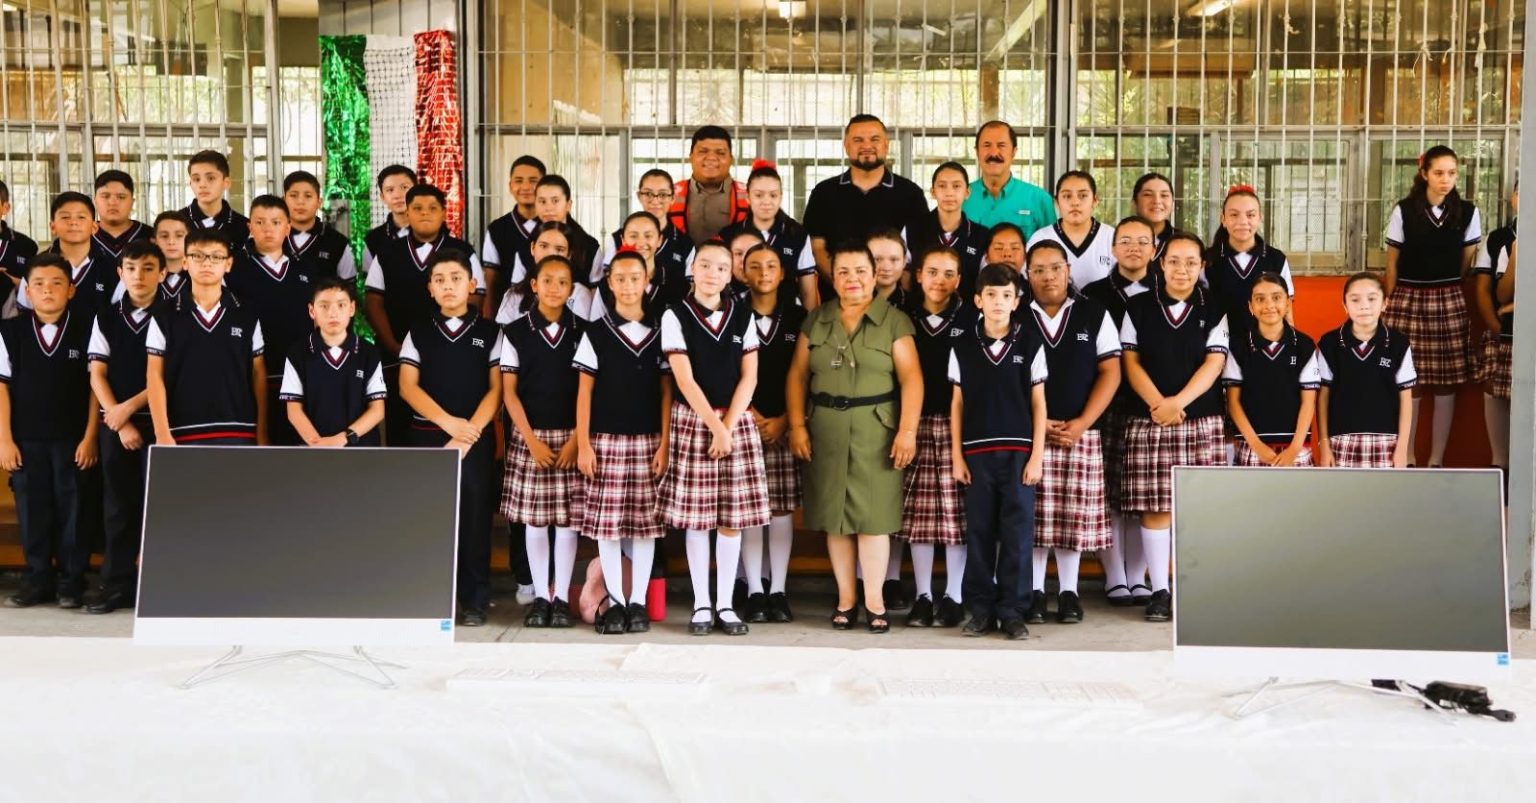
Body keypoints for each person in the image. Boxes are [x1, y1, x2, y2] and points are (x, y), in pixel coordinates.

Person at [785, 242, 923, 634]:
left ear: (874, 272)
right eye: (843, 271)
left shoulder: (893, 320)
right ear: (832, 276)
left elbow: (912, 378)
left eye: (860, 270)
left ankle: (875, 600)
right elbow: (797, 375)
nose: (852, 279)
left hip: (876, 429)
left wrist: (907, 431)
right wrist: (797, 424)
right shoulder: (816, 320)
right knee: (835, 519)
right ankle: (846, 598)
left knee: (873, 519)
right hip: (825, 427)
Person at [658, 241, 770, 637]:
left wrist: (730, 424)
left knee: (731, 519)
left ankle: (726, 603)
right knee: (697, 519)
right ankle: (701, 603)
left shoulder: (742, 315)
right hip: (695, 422)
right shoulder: (674, 314)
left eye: (721, 268)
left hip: (735, 422)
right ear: (692, 270)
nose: (712, 273)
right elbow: (683, 379)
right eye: (704, 265)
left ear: (730, 274)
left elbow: (750, 376)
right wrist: (715, 426)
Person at [1119, 232, 1228, 623]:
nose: (1182, 269)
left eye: (1191, 262)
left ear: (1201, 267)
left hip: (1199, 419)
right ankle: (1159, 590)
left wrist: (1177, 404)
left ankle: (1192, 588)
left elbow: (1214, 363)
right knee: (1156, 509)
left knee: (1196, 509)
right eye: (1175, 261)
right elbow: (1129, 363)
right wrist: (1157, 404)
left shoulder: (1213, 306)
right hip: (1149, 419)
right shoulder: (1138, 307)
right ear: (1160, 263)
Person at [397, 249, 502, 627]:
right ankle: (432, 596)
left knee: (474, 520)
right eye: (439, 280)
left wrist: (468, 431)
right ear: (430, 288)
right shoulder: (419, 332)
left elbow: (497, 390)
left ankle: (474, 599)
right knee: (432, 518)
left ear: (472, 284)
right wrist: (448, 425)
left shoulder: (491, 332)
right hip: (429, 439)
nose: (448, 286)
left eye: (456, 278)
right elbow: (407, 387)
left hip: (474, 441)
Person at [1022, 241, 1120, 625]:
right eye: (1038, 270)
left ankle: (1068, 591)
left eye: (1055, 268)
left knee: (1070, 519)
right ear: (1027, 275)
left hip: (1080, 432)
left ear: (1068, 271)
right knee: (1033, 518)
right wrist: (1034, 423)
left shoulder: (1094, 313)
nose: (1048, 277)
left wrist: (1084, 422)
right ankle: (1032, 591)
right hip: (1030, 434)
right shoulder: (1015, 315)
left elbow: (1111, 371)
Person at [574, 249, 672, 635]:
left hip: (649, 440)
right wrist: (583, 443)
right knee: (609, 527)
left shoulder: (662, 331)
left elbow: (667, 392)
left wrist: (665, 443)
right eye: (621, 278)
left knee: (645, 526)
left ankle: (636, 602)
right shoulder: (595, 332)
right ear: (609, 282)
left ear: (647, 282)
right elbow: (583, 393)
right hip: (606, 441)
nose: (629, 285)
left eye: (636, 277)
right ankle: (615, 601)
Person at [950, 263, 1047, 640]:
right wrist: (958, 455)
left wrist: (1036, 455)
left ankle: (1012, 610)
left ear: (1016, 300)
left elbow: (1039, 403)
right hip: (976, 453)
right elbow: (956, 404)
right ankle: (979, 609)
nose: (998, 302)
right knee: (979, 533)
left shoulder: (1029, 342)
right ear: (978, 300)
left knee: (1017, 534)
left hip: (1019, 454)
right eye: (990, 295)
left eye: (1006, 295)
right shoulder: (962, 345)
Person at [0, 254, 98, 609]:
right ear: (26, 291)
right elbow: (1, 389)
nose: (47, 290)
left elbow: (94, 388)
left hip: (73, 439)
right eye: (38, 283)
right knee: (32, 509)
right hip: (26, 441)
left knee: (74, 510)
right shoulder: (9, 331)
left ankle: (72, 582)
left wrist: (90, 437)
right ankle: (36, 578)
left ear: (71, 289)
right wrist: (5, 440)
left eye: (56, 282)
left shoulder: (89, 327)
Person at [499, 255, 584, 630]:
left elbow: (589, 391)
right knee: (534, 524)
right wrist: (529, 440)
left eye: (562, 282)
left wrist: (576, 440)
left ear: (571, 289)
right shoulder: (515, 332)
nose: (554, 288)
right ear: (533, 285)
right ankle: (540, 598)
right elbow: (510, 393)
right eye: (546, 280)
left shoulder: (584, 331)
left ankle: (561, 597)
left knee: (566, 523)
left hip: (571, 437)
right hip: (530, 438)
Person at [1384, 145, 1481, 468]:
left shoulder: (1468, 212)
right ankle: (1408, 455)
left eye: (1452, 173)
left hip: (1449, 297)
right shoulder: (1405, 210)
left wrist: (1453, 285)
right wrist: (1388, 301)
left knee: (1446, 380)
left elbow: (1467, 260)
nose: (1446, 180)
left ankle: (1437, 458)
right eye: (1439, 173)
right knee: (1410, 382)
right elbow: (1392, 263)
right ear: (1424, 173)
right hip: (1408, 298)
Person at [1079, 215, 1159, 605]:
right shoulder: (1094, 295)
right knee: (1109, 494)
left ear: (1154, 248)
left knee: (1143, 497)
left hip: (1151, 409)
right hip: (1108, 405)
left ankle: (1140, 575)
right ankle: (1114, 575)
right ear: (1112, 248)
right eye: (1125, 240)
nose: (1133, 248)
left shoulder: (1169, 290)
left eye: (1142, 241)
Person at [365, 183, 483, 445]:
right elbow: (373, 302)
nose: (425, 213)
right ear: (407, 212)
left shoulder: (464, 251)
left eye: (432, 208)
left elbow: (477, 297)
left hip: (455, 354)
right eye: (417, 208)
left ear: (444, 212)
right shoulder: (386, 254)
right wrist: (393, 345)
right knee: (401, 423)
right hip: (399, 355)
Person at [84, 240, 166, 614]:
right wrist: (117, 417)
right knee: (118, 506)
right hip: (117, 425)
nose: (139, 275)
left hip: (162, 424)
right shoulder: (106, 316)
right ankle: (116, 584)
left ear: (163, 274)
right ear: (120, 273)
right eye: (131, 268)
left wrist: (130, 409)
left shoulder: (175, 315)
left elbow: (168, 376)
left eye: (148, 268)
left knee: (162, 507)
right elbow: (97, 372)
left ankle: (161, 584)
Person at [900, 247, 972, 628]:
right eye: (932, 272)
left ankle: (954, 594)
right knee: (919, 517)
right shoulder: (903, 316)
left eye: (948, 273)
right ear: (918, 275)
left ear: (959, 280)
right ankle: (924, 594)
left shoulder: (971, 317)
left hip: (957, 424)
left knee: (956, 516)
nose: (939, 280)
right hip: (913, 424)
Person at [739, 243, 807, 624]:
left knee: (780, 511)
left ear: (783, 274)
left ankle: (778, 589)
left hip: (784, 424)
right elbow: (724, 372)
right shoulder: (732, 315)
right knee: (749, 513)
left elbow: (805, 373)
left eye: (771, 266)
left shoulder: (799, 318)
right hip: (744, 425)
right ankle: (754, 590)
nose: (763, 272)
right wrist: (751, 415)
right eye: (754, 266)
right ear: (743, 273)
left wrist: (785, 419)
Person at [146, 230, 266, 446]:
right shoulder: (164, 314)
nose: (206, 263)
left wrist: (263, 432)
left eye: (216, 257)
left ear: (228, 264)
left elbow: (258, 374)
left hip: (239, 429)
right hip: (181, 431)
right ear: (184, 262)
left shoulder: (247, 313)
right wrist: (162, 432)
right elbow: (154, 375)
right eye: (197, 256)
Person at [802, 115, 929, 286]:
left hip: (892, 301)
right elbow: (816, 247)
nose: (867, 146)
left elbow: (917, 251)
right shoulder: (824, 192)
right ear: (846, 146)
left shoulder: (910, 193)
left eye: (874, 139)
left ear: (886, 144)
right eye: (858, 140)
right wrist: (846, 284)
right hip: (837, 297)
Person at [227, 195, 312, 446]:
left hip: (299, 377)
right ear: (249, 227)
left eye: (275, 222)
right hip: (251, 376)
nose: (268, 229)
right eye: (260, 222)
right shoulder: (234, 269)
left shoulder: (306, 268)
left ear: (287, 228)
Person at [1316, 272, 1416, 469]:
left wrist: (1403, 448)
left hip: (1387, 441)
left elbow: (1406, 399)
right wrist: (1325, 444)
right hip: (1341, 441)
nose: (1364, 306)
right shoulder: (1329, 344)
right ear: (1344, 305)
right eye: (1355, 299)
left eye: (1372, 299)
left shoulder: (1398, 343)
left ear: (1385, 303)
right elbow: (1323, 398)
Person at [278, 276, 386, 448]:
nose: (332, 313)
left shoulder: (368, 353)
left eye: (341, 305)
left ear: (352, 308)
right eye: (324, 306)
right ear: (312, 311)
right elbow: (294, 410)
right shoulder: (298, 353)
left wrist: (343, 438)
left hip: (360, 451)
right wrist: (318, 444)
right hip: (312, 450)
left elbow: (377, 410)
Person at [1224, 272, 1319, 467]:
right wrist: (1256, 445)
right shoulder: (1237, 346)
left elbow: (1309, 403)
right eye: (1260, 299)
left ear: (1287, 304)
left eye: (1276, 298)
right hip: (1250, 447)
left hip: (1296, 448)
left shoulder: (1304, 345)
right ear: (1251, 306)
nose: (1268, 305)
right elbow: (1233, 402)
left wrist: (1294, 449)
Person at [719, 160, 819, 310]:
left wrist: (810, 327)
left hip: (786, 318)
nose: (766, 202)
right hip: (738, 318)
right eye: (759, 195)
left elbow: (808, 290)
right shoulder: (729, 235)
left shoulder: (797, 234)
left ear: (781, 196)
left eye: (773, 195)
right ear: (748, 197)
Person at [18, 193, 119, 320]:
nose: (73, 223)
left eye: (81, 217)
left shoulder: (112, 267)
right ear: (53, 226)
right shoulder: (34, 266)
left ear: (94, 227)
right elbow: (24, 315)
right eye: (65, 217)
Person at [1206, 185, 1293, 330]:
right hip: (1220, 347)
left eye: (1250, 215)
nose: (1242, 221)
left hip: (1264, 345)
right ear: (1223, 219)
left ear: (1260, 218)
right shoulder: (1209, 259)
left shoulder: (1276, 259)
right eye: (1234, 215)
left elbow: (1287, 311)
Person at [604, 169, 696, 303]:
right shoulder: (618, 238)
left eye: (663, 194)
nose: (655, 200)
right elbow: (607, 281)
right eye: (648, 193)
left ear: (673, 198)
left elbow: (691, 289)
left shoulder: (685, 244)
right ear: (639, 196)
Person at [1474, 188, 1516, 479]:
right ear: (1514, 199)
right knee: (1494, 389)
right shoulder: (1498, 239)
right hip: (1505, 332)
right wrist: (1496, 326)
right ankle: (1500, 464)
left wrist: (1517, 305)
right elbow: (1498, 293)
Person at [906, 162, 989, 299]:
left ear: (967, 192)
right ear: (933, 192)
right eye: (942, 186)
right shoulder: (912, 230)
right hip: (918, 315)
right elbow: (903, 273)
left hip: (967, 316)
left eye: (956, 186)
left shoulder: (981, 235)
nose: (949, 192)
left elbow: (986, 282)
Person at [962, 120, 1056, 237]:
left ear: (1014, 152)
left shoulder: (1039, 199)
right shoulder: (959, 198)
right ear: (977, 152)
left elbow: (1053, 248)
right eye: (986, 145)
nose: (994, 153)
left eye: (1001, 145)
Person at [481, 155, 547, 316]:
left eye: (533, 181)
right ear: (510, 186)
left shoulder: (554, 227)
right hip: (510, 314)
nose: (525, 186)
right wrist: (489, 316)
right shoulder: (497, 229)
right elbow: (490, 279)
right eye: (518, 180)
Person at [1027, 171, 1115, 290]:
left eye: (1083, 196)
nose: (1075, 203)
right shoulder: (1040, 238)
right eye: (1067, 196)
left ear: (1095, 200)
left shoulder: (1112, 237)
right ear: (1057, 202)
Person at [666, 125, 749, 245]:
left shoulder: (751, 195)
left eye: (720, 153)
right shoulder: (668, 194)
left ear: (731, 159)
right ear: (691, 157)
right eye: (703, 151)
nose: (711, 158)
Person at [496, 221, 592, 323]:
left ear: (569, 255)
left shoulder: (579, 294)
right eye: (544, 246)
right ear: (533, 248)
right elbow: (503, 334)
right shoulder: (514, 295)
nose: (550, 254)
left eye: (559, 249)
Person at [588, 213, 666, 322]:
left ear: (659, 240)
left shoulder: (675, 284)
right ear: (623, 240)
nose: (641, 242)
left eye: (648, 236)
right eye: (633, 236)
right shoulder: (606, 285)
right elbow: (595, 327)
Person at [282, 170, 357, 281]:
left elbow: (348, 288)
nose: (300, 202)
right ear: (284, 201)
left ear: (319, 202)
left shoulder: (338, 242)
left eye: (308, 196)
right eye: (293, 195)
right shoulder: (269, 237)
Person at [532, 174, 603, 287]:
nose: (548, 208)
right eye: (542, 201)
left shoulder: (589, 247)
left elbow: (595, 293)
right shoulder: (526, 242)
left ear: (568, 205)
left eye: (555, 201)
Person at [362, 165, 416, 272]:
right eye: (390, 190)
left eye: (404, 187)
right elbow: (370, 282)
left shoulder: (433, 233)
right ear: (383, 197)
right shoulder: (373, 239)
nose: (397, 195)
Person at [181, 150, 249, 233]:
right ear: (191, 184)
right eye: (197, 179)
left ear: (226, 183)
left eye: (211, 178)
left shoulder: (243, 226)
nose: (202, 185)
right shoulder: (176, 223)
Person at [91, 169, 152, 258]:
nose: (112, 202)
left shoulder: (149, 236)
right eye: (105, 196)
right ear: (95, 201)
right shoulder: (81, 235)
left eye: (121, 197)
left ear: (132, 202)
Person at [0, 179, 40, 296]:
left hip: (14, 312)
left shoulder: (25, 246)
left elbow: (36, 290)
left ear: (6, 207)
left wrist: (8, 280)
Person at [1131, 172, 1179, 266]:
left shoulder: (1183, 241)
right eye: (1148, 195)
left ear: (1173, 204)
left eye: (1164, 195)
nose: (1157, 201)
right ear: (1134, 203)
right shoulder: (1117, 239)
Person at [869, 228, 912, 313]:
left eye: (894, 259)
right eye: (877, 259)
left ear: (904, 262)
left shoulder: (916, 307)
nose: (886, 267)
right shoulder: (849, 303)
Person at [153, 211, 190, 302]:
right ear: (154, 241)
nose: (171, 242)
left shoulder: (203, 274)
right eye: (164, 236)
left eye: (179, 236)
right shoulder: (138, 276)